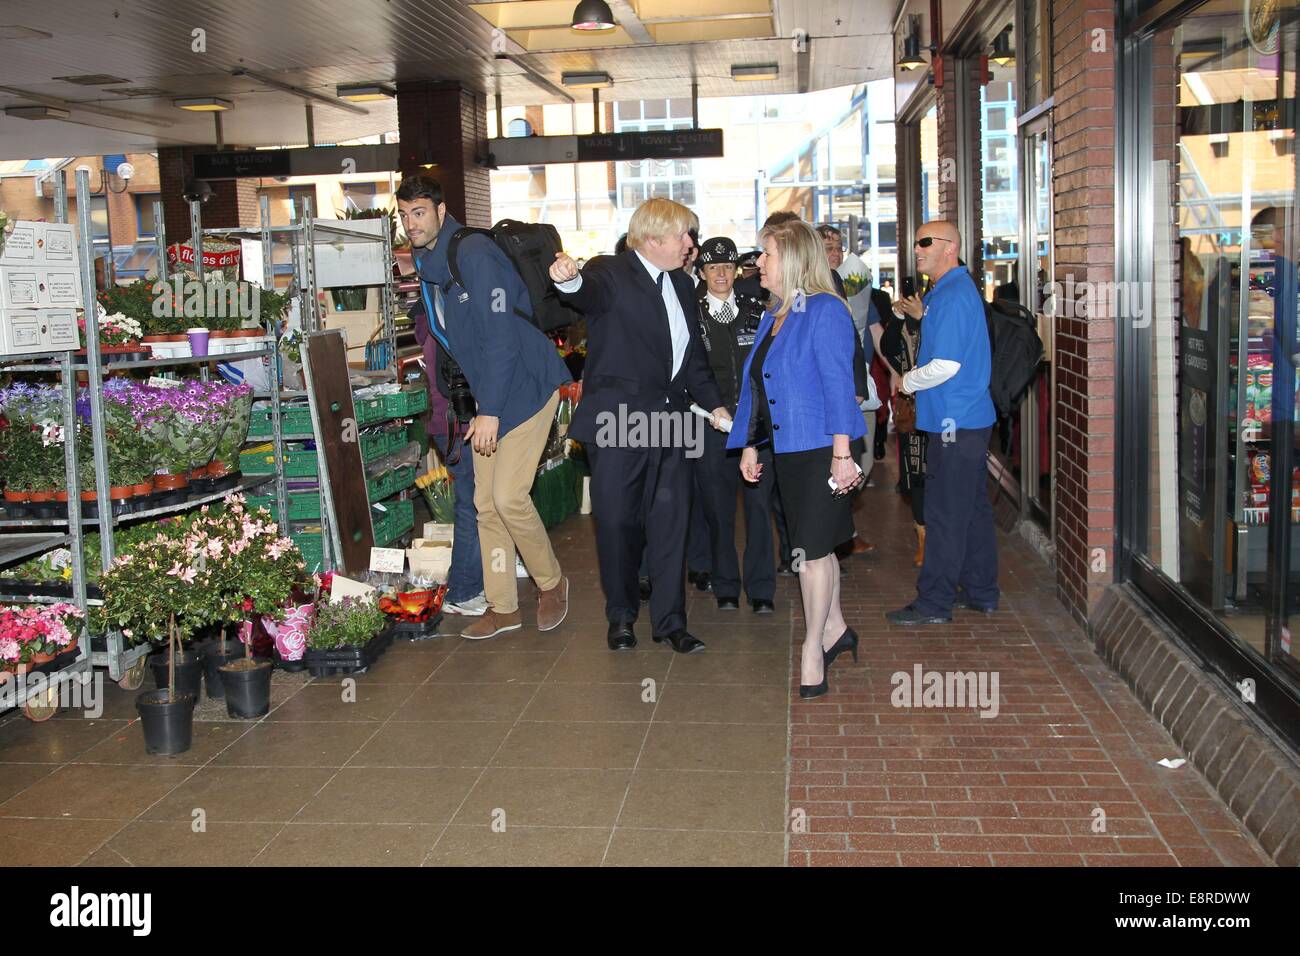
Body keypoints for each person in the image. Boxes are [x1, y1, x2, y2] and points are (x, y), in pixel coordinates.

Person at [549, 198, 731, 654]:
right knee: (616, 523)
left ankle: (671, 621)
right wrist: (567, 279)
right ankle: (622, 615)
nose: (691, 245)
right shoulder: (612, 271)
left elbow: (693, 365)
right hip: (620, 424)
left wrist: (717, 408)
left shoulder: (684, 287)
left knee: (671, 523)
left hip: (672, 423)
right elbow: (583, 292)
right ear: (653, 238)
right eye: (684, 236)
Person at [400, 174, 573, 641]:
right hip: (490, 396)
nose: (410, 223)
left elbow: (499, 337)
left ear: (440, 210)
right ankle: (503, 606)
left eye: (419, 212)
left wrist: (490, 409)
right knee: (482, 504)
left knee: (508, 497)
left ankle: (552, 582)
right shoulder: (428, 262)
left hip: (528, 387)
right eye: (403, 215)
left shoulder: (472, 254)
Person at [730, 219, 865, 698]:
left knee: (808, 554)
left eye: (765, 254)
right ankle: (837, 630)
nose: (758, 263)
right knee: (818, 548)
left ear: (792, 258)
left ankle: (813, 648)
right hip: (787, 449)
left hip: (823, 449)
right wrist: (750, 441)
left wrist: (843, 455)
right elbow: (757, 386)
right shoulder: (776, 313)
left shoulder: (826, 310)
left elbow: (838, 386)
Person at [886, 221, 999, 625]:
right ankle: (982, 590)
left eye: (925, 242)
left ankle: (934, 603)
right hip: (966, 421)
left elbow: (946, 365)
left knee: (944, 513)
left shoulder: (951, 294)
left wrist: (908, 381)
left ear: (950, 247)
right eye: (915, 242)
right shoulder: (949, 291)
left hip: (956, 421)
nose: (917, 249)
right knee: (971, 509)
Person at [694, 236, 776, 614]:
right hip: (710, 426)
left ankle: (761, 590)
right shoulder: (690, 313)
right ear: (702, 272)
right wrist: (710, 410)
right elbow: (688, 372)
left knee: (759, 508)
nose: (722, 274)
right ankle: (725, 585)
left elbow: (765, 368)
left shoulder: (756, 310)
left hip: (756, 424)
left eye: (727, 266)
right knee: (717, 509)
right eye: (713, 267)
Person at [410, 297, 486, 616]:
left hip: (447, 425)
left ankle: (472, 582)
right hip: (459, 425)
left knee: (471, 503)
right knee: (472, 504)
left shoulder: (428, 326)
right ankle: (464, 589)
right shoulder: (445, 328)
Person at [881, 289, 928, 567]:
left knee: (937, 472)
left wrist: (923, 317)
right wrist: (899, 314)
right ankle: (923, 536)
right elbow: (888, 347)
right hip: (912, 410)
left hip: (940, 408)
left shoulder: (935, 316)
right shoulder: (904, 323)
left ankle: (939, 534)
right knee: (918, 473)